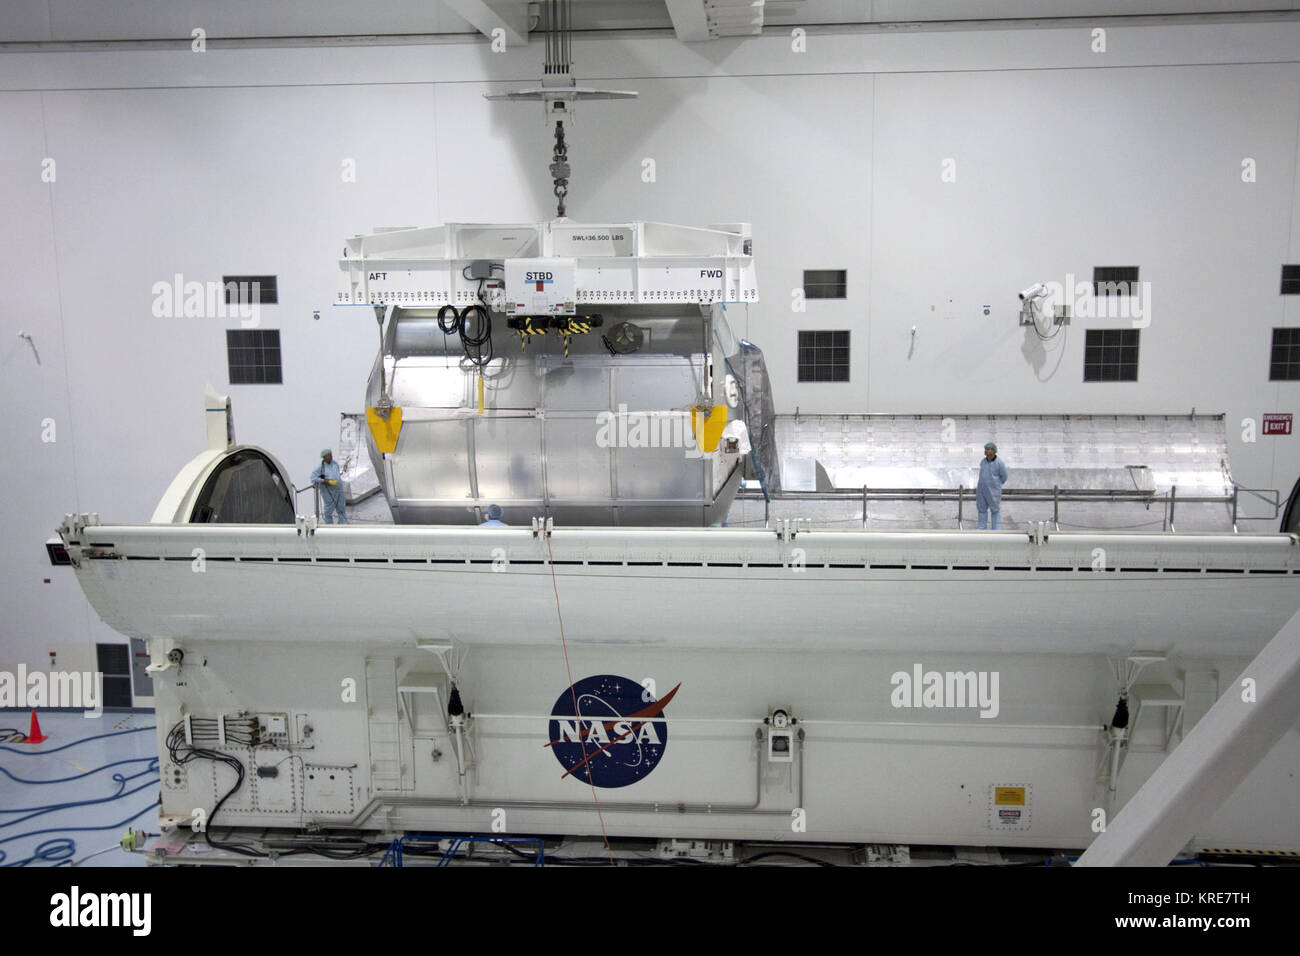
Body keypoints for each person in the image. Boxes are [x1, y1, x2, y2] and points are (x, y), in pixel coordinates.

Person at [311, 449, 348, 524]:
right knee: (328, 511)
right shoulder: (320, 467)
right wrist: (325, 481)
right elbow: (313, 478)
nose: (331, 457)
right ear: (324, 457)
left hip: (339, 490)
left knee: (341, 508)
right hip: (328, 492)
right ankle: (329, 525)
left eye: (331, 455)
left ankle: (343, 524)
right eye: (329, 455)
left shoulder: (335, 464)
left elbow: (337, 473)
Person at [976, 442, 1008, 530]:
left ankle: (996, 529)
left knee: (995, 510)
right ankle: (981, 529)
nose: (985, 451)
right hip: (982, 491)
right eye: (985, 449)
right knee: (981, 510)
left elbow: (1004, 476)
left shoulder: (999, 463)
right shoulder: (983, 461)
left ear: (993, 451)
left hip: (993, 492)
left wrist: (996, 485)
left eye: (988, 449)